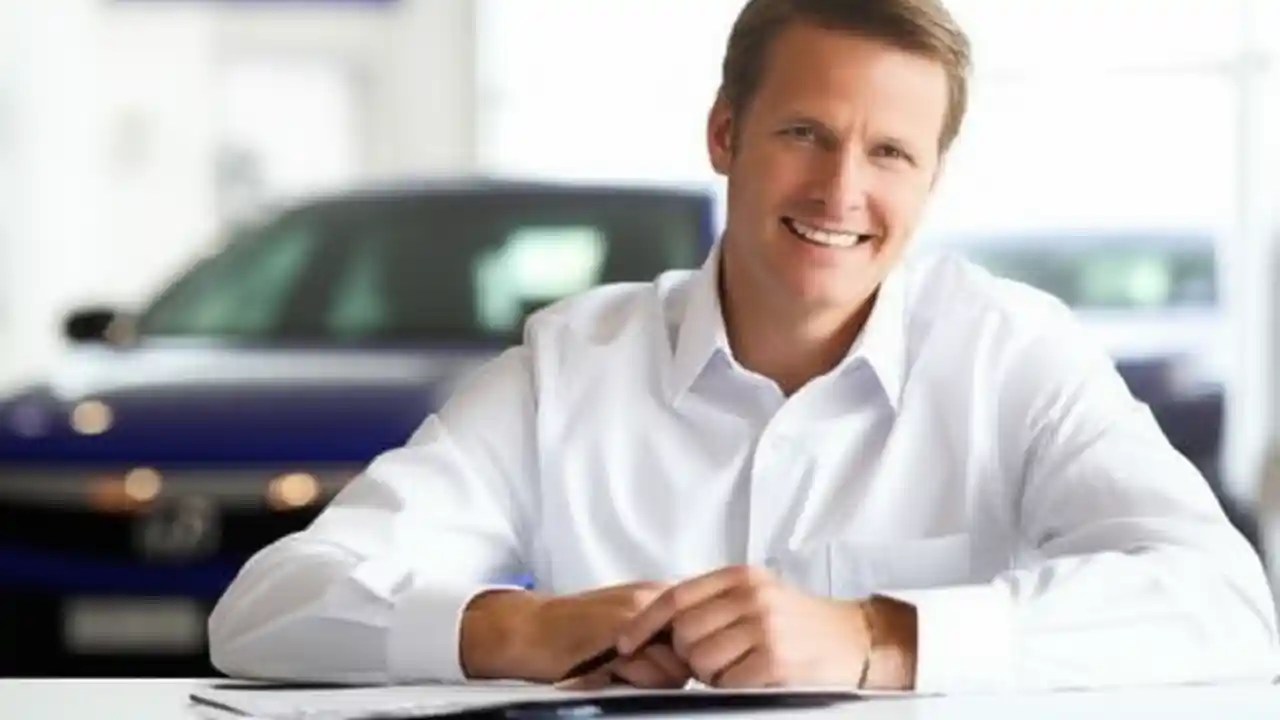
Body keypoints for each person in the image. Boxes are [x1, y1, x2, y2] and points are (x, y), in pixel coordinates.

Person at [208, 0, 1279, 693]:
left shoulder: (1011, 354)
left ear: (931, 180)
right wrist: (520, 631)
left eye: (890, 153)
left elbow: (1224, 606)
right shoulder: (572, 364)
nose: (839, 191)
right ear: (725, 134)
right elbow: (269, 608)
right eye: (804, 133)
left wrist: (876, 639)